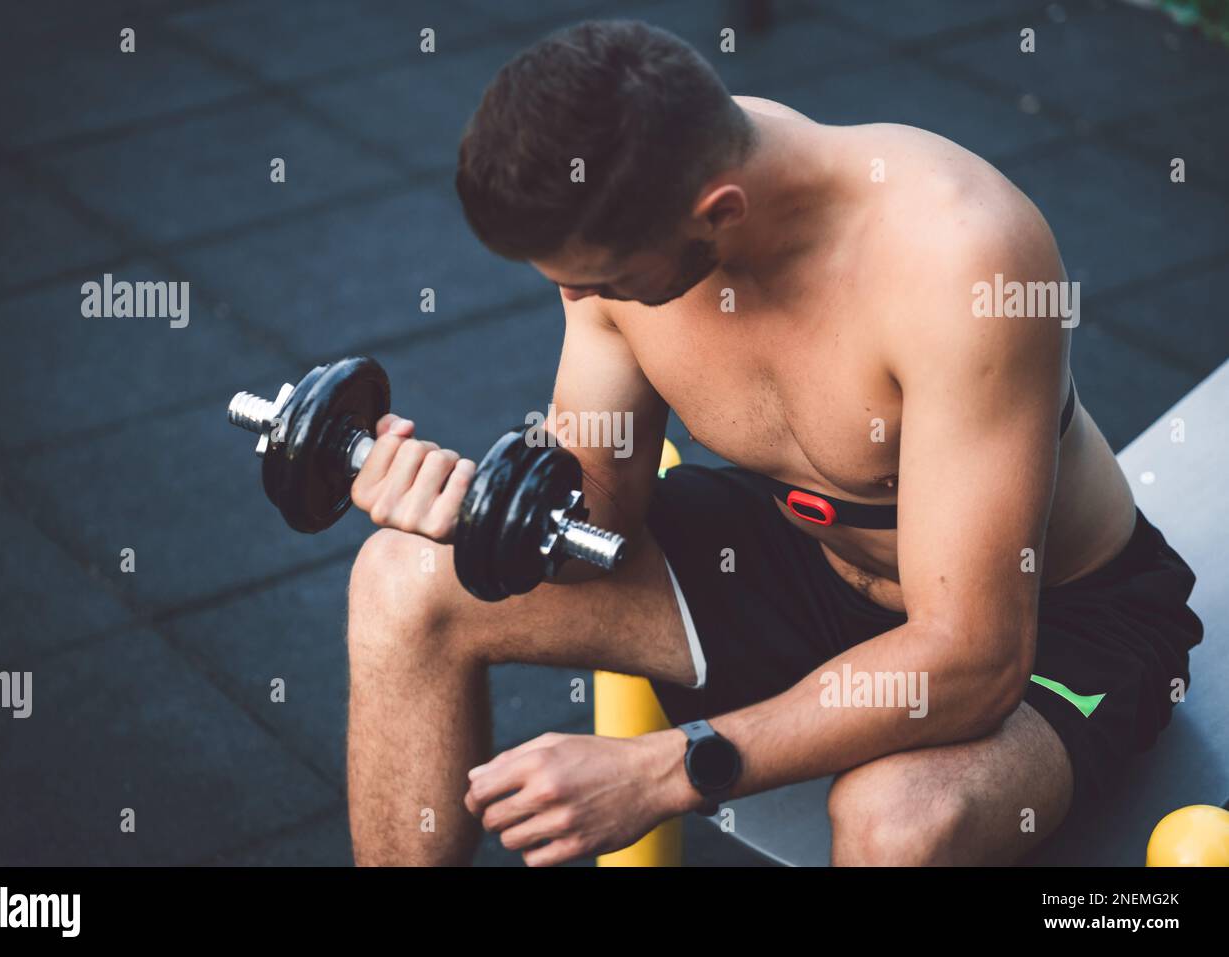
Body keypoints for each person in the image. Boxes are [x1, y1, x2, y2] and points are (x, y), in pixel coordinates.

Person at [344, 20, 1201, 866]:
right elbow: (598, 515)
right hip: (810, 562)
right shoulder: (618, 222)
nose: (578, 298)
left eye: (604, 280)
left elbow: (974, 657)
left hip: (1049, 626)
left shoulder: (963, 257)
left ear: (718, 212)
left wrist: (667, 768)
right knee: (402, 581)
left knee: (898, 823)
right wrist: (477, 515)